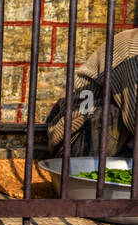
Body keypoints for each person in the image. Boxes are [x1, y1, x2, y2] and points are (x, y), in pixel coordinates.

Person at [46, 27, 138, 160]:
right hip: (76, 138)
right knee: (112, 111)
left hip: (115, 139)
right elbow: (134, 116)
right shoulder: (133, 52)